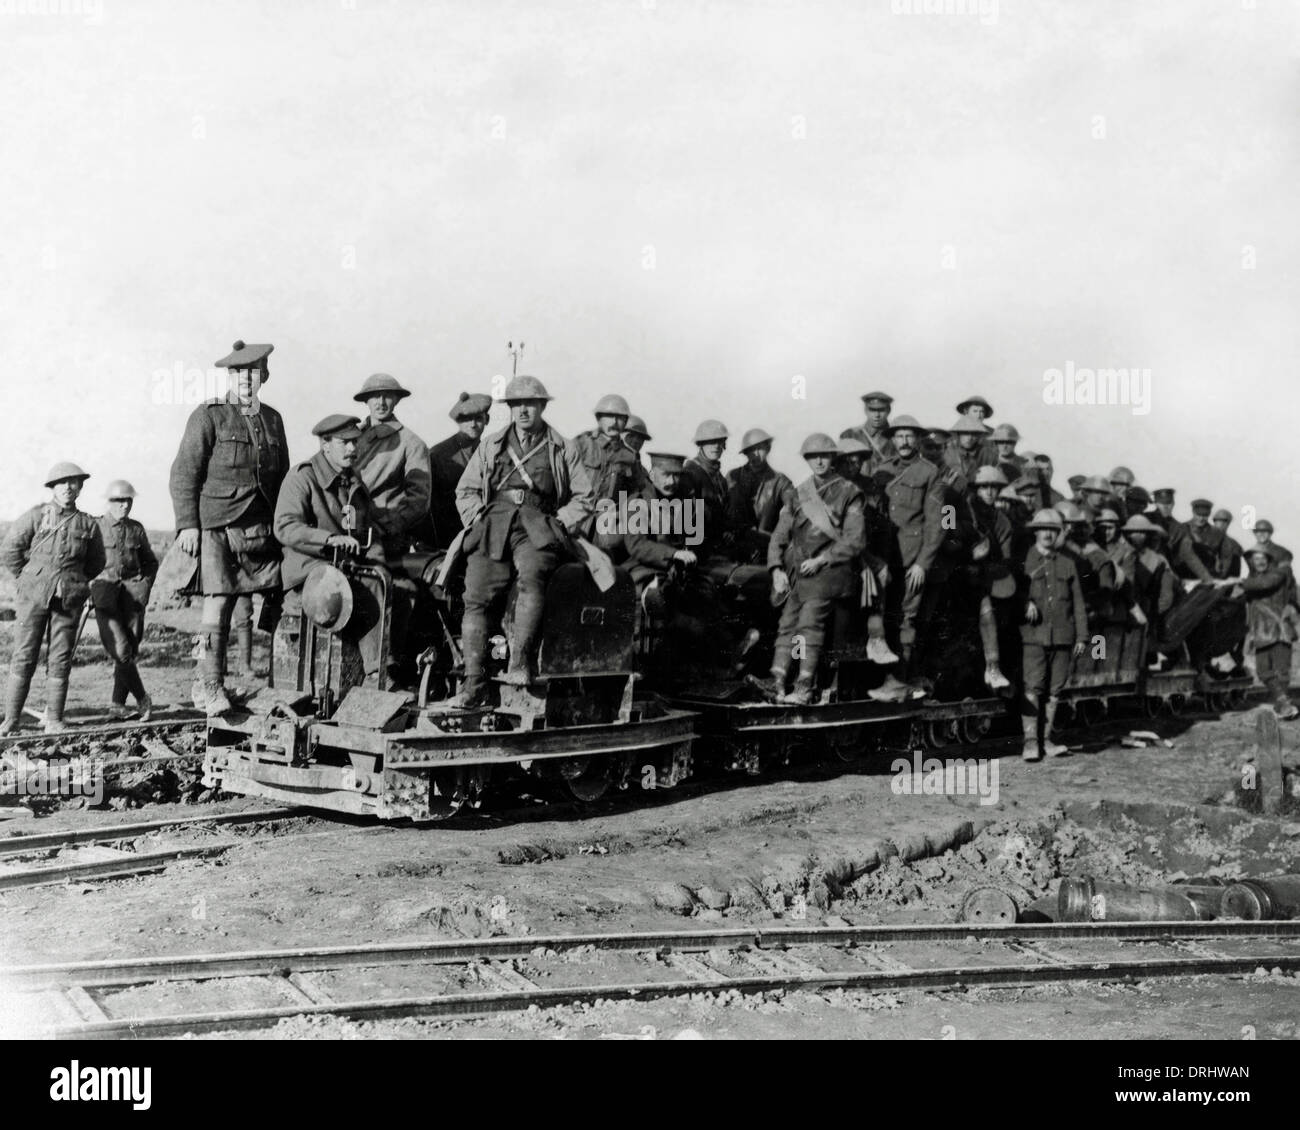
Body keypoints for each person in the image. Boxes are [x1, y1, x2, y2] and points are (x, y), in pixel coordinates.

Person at [451, 375, 595, 704]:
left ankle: (520, 662)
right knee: (476, 595)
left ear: (542, 406)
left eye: (530, 404)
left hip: (537, 525)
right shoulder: (491, 444)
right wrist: (476, 519)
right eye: (516, 405)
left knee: (533, 577)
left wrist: (560, 523)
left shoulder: (562, 447)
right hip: (494, 524)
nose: (523, 411)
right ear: (510, 409)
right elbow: (466, 490)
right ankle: (473, 686)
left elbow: (584, 496)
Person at [169, 340, 290, 716]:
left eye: (253, 374)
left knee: (281, 592)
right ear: (229, 377)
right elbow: (183, 474)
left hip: (260, 527)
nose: (246, 381)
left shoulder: (273, 419)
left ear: (264, 377)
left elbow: (283, 476)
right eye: (239, 374)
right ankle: (211, 684)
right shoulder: (208, 415)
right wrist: (188, 525)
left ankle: (277, 679)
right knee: (217, 604)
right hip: (217, 525)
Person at [761, 434, 868, 705]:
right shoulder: (798, 494)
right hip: (800, 575)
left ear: (833, 458)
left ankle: (804, 685)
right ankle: (777, 681)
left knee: (808, 623)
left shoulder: (848, 492)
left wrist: (822, 559)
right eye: (813, 456)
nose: (819, 461)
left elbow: (855, 540)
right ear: (807, 459)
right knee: (787, 625)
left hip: (830, 573)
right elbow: (779, 535)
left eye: (824, 455)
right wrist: (776, 569)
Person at [0, 463, 106, 735]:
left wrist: (74, 580)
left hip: (69, 597)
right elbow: (11, 549)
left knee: (60, 657)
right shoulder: (36, 516)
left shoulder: (88, 523)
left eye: (74, 482)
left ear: (80, 488)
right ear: (53, 487)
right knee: (24, 654)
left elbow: (96, 563)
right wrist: (29, 578)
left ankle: (55, 719)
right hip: (33, 595)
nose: (69, 487)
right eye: (62, 482)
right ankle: (12, 720)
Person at [871, 415, 945, 700]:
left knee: (906, 621)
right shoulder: (882, 471)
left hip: (911, 561)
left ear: (917, 440)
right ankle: (882, 680)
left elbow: (935, 524)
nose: (903, 441)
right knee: (879, 618)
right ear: (893, 439)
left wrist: (923, 564)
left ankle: (900, 682)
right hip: (883, 559)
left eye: (909, 436)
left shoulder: (929, 473)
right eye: (899, 436)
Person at [1019, 509, 1088, 761]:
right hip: (1033, 636)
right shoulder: (1025, 561)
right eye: (1043, 528)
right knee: (1032, 687)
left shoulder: (1068, 564)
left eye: (1053, 529)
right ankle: (1030, 743)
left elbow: (1078, 603)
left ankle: (1046, 740)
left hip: (1062, 636)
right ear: (1035, 531)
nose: (1047, 533)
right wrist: (1024, 603)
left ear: (1058, 533)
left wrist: (1082, 637)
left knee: (1055, 690)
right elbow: (1012, 590)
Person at [93, 480, 158, 721]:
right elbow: (84, 562)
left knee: (130, 649)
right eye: (119, 501)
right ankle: (142, 698)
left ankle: (117, 705)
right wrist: (91, 586)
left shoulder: (136, 529)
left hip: (133, 600)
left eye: (128, 501)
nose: (124, 506)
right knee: (120, 650)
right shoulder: (96, 527)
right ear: (109, 502)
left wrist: (144, 585)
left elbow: (151, 562)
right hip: (106, 598)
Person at [352, 373, 432, 559]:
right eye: (375, 396)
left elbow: (419, 500)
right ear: (366, 400)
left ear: (396, 399)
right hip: (347, 528)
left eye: (387, 395)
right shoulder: (351, 438)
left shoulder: (412, 444)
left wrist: (388, 526)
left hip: (385, 538)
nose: (381, 402)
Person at [1220, 546, 1297, 719]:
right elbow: (1245, 597)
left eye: (1263, 558)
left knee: (1281, 671)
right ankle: (1284, 703)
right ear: (1252, 563)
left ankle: (1283, 705)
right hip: (1262, 632)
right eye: (1256, 559)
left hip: (1279, 630)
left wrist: (1236, 581)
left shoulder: (1277, 575)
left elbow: (1264, 584)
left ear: (1269, 561)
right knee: (1263, 671)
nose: (1260, 562)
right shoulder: (1254, 579)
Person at [967, 465, 1014, 690]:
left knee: (987, 610)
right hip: (957, 573)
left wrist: (985, 564)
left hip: (985, 579)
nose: (989, 492)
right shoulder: (963, 509)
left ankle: (993, 667)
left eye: (994, 488)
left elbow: (1005, 560)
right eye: (984, 487)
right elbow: (949, 534)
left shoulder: (1003, 522)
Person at [571, 394, 642, 544]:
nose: (615, 422)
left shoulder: (629, 457)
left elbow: (635, 494)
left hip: (607, 527)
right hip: (576, 521)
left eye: (620, 418)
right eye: (609, 416)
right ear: (599, 419)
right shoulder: (582, 444)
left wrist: (620, 515)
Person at [428, 392, 492, 549]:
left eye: (478, 418)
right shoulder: (439, 454)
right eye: (466, 419)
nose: (473, 424)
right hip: (446, 537)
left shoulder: (492, 453)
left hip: (482, 533)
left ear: (487, 420)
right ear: (458, 421)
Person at [727, 428, 795, 565]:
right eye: (751, 450)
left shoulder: (780, 481)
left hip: (766, 551)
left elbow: (792, 508)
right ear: (745, 453)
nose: (755, 455)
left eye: (760, 449)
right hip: (732, 550)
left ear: (768, 449)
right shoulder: (732, 477)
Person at [681, 419, 737, 558]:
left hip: (717, 543)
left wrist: (728, 530)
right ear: (700, 444)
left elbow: (726, 511)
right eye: (711, 442)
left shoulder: (720, 478)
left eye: (720, 441)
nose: (716, 446)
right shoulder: (690, 472)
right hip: (698, 547)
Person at [1146, 488, 1213, 583]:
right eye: (1162, 504)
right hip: (1143, 566)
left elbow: (1188, 554)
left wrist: (1207, 578)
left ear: (1173, 504)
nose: (1166, 507)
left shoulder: (1179, 528)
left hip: (1165, 572)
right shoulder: (1145, 519)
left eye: (1168, 504)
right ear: (1156, 503)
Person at [839, 391, 896, 473]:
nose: (877, 415)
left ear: (889, 410)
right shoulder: (850, 436)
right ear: (865, 410)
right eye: (872, 410)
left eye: (881, 410)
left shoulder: (897, 437)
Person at [942, 416, 993, 492]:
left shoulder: (987, 454)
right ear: (959, 434)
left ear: (978, 436)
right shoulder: (948, 452)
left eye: (974, 434)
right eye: (965, 433)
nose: (969, 438)